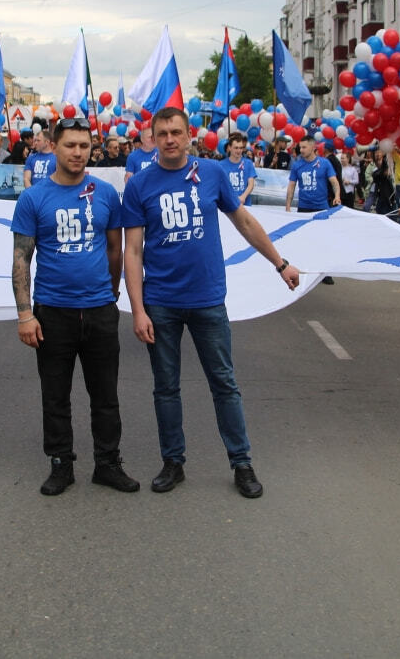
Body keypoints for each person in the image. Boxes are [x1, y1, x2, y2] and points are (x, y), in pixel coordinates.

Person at [122, 107, 301, 498]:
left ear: (190, 136)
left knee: (224, 383)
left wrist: (280, 262)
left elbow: (244, 221)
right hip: (161, 303)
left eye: (177, 132)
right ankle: (173, 462)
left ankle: (241, 463)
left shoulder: (213, 174)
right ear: (151, 137)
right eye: (163, 133)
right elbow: (132, 252)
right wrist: (137, 309)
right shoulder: (140, 185)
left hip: (207, 301)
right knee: (166, 387)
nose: (170, 139)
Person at [11, 117, 138, 496]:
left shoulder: (105, 193)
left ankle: (108, 463)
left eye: (84, 145)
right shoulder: (33, 198)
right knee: (55, 395)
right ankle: (60, 463)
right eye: (70, 145)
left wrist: (111, 295)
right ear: (54, 145)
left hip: (99, 309)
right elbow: (21, 259)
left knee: (105, 395)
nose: (78, 152)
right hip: (52, 312)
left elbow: (116, 249)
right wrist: (25, 314)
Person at [285, 136, 339, 214]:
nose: (301, 150)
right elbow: (291, 186)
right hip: (303, 207)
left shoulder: (325, 163)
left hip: (322, 207)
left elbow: (334, 182)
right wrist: (288, 206)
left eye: (304, 147)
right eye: (300, 147)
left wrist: (337, 196)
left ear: (313, 148)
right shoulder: (296, 165)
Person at [220, 132, 258, 205]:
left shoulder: (248, 163)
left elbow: (251, 184)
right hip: (228, 205)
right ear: (230, 148)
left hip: (245, 204)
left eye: (241, 148)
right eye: (236, 148)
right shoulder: (221, 165)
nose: (239, 151)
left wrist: (243, 197)